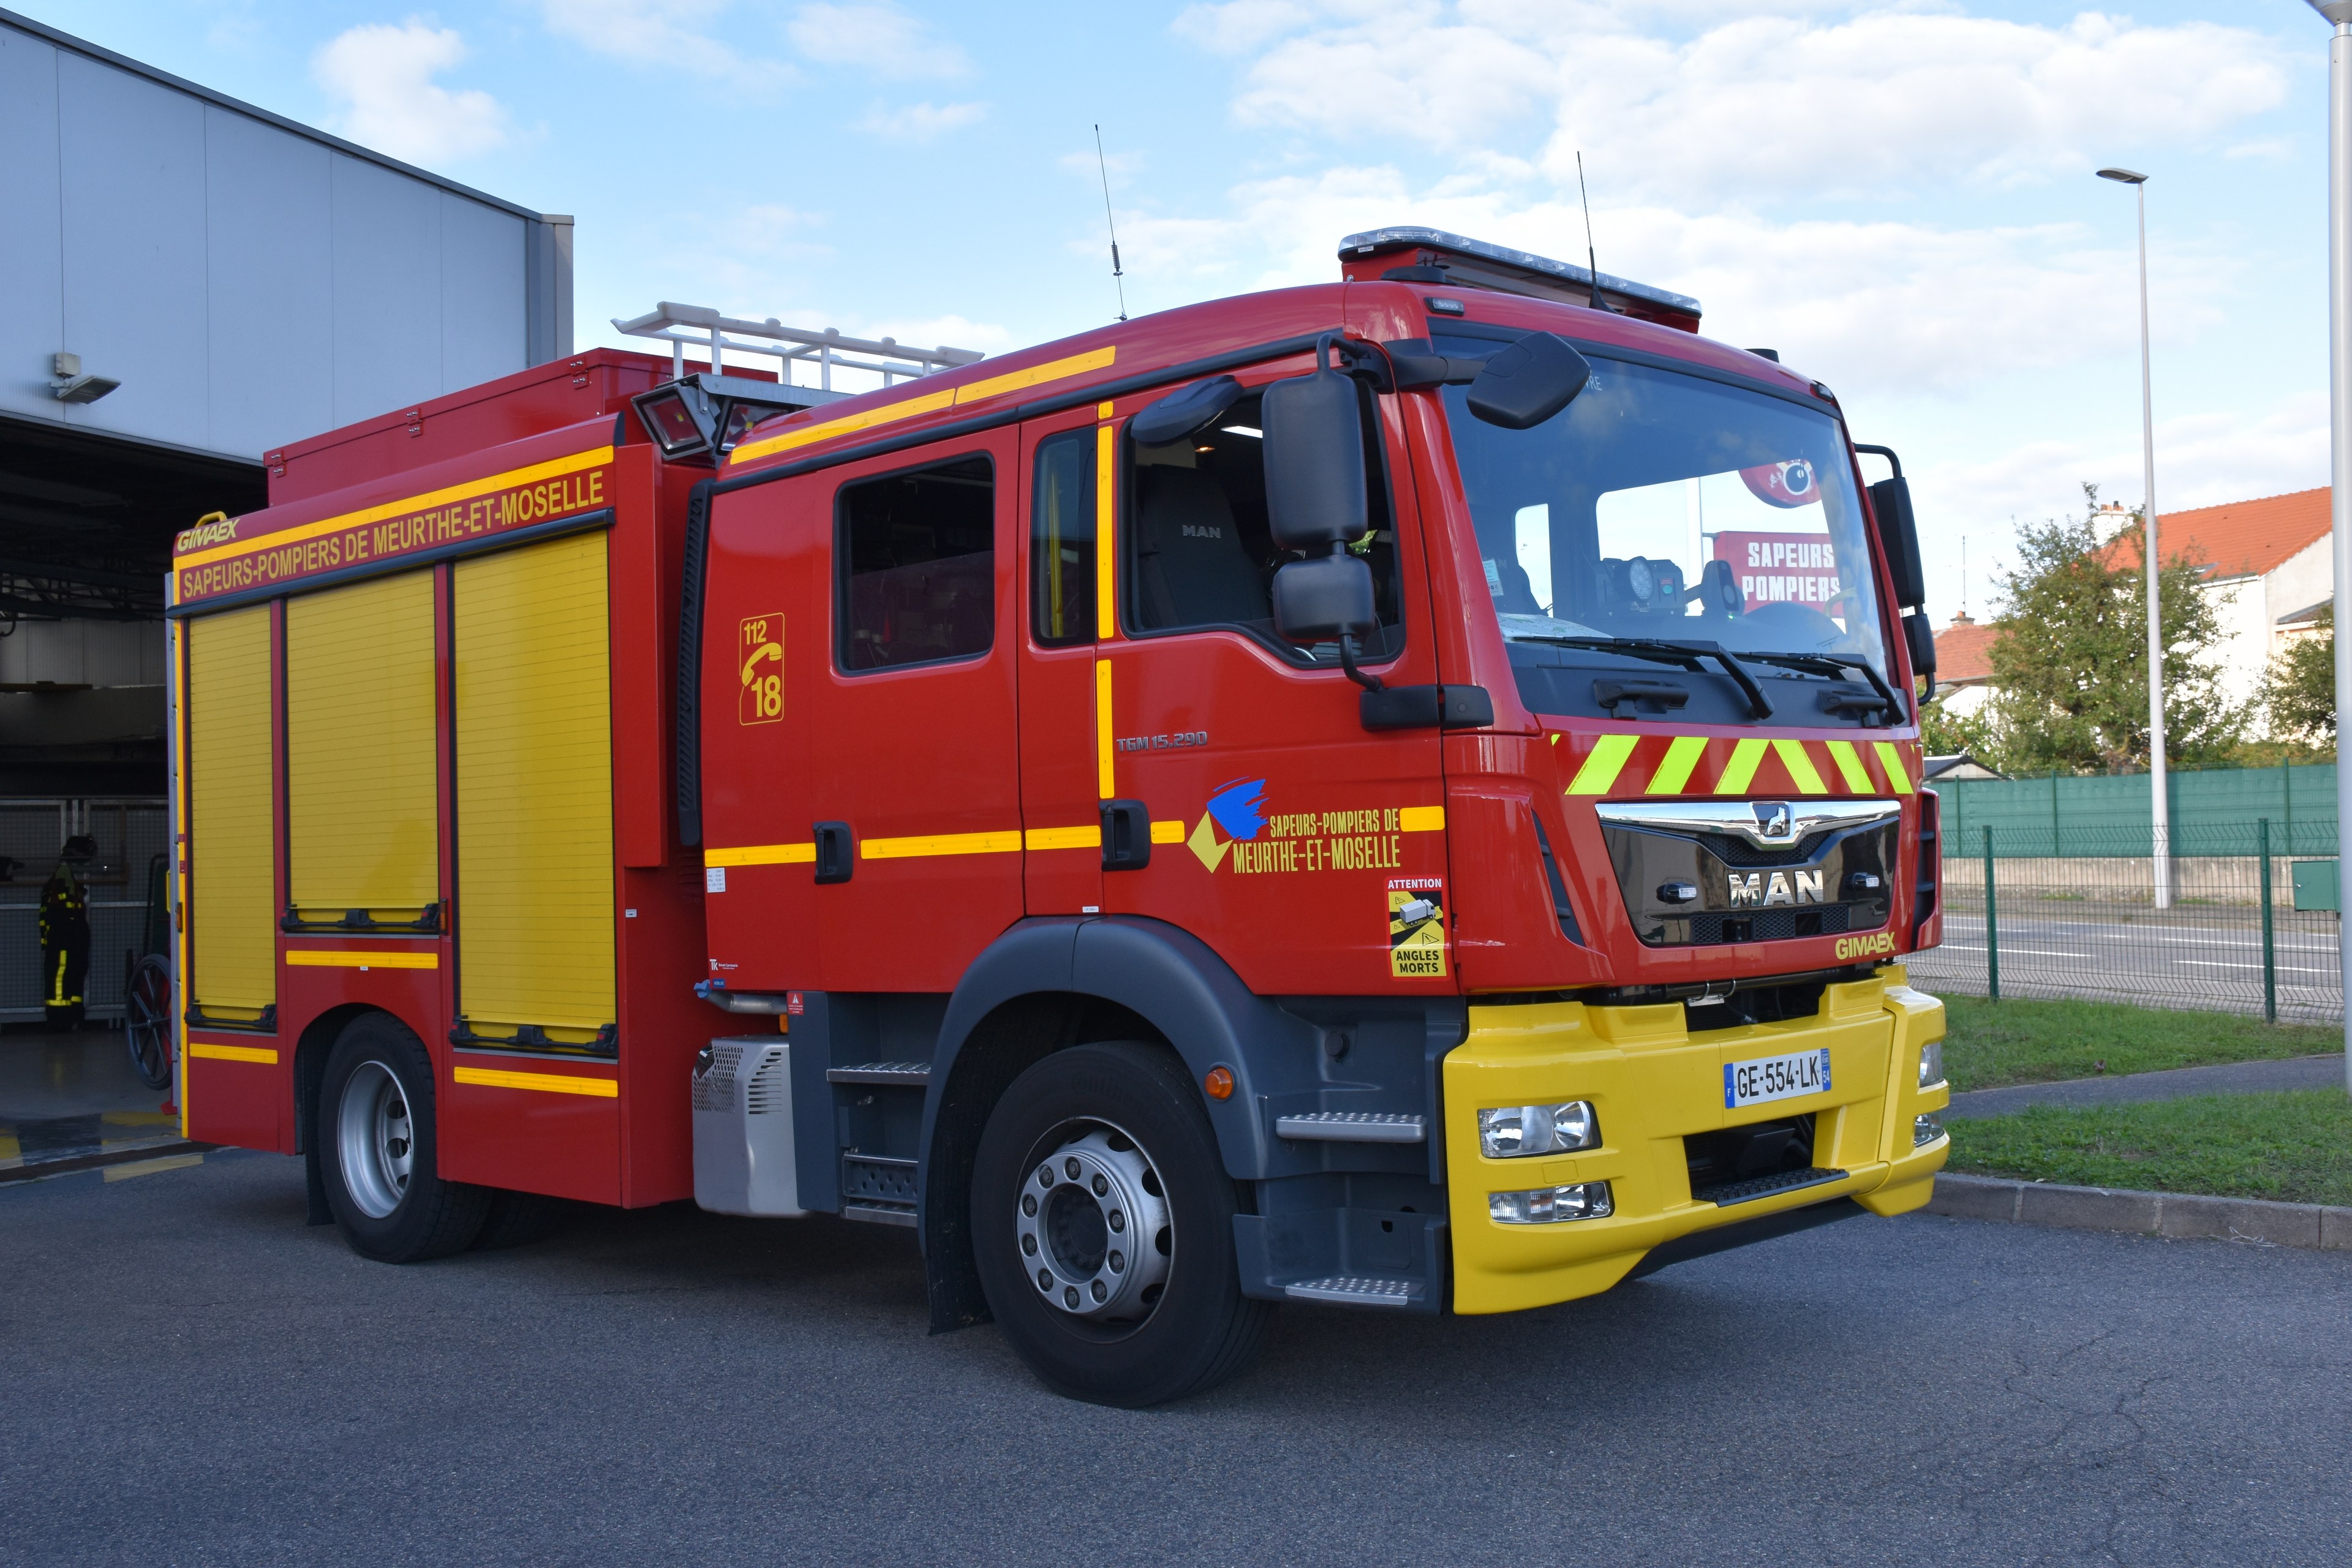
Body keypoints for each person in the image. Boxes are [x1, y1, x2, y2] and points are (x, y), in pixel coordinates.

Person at [40, 861, 90, 1029]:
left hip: (60, 943)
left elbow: (46, 920)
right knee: (75, 978)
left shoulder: (53, 892)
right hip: (77, 944)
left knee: (58, 979)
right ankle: (76, 1016)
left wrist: (46, 942)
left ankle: (58, 1020)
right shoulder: (77, 893)